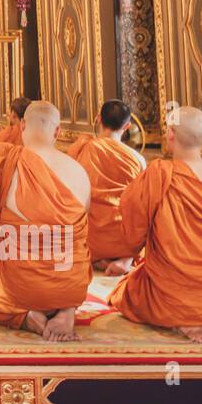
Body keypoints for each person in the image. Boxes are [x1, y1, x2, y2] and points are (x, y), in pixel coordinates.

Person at [108, 106, 202, 344]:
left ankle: (184, 318)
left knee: (127, 293)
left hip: (170, 291)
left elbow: (132, 232)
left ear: (170, 135)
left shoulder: (158, 174)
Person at [0, 101, 91, 342]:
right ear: (58, 132)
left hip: (22, 285)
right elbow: (83, 232)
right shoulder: (78, 171)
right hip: (70, 281)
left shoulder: (5, 165)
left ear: (22, 125)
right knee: (73, 253)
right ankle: (66, 310)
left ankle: (25, 316)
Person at [65, 99, 147, 274]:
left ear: (98, 119)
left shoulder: (81, 148)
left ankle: (96, 256)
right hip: (124, 240)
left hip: (91, 238)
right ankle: (126, 258)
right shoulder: (137, 159)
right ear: (127, 127)